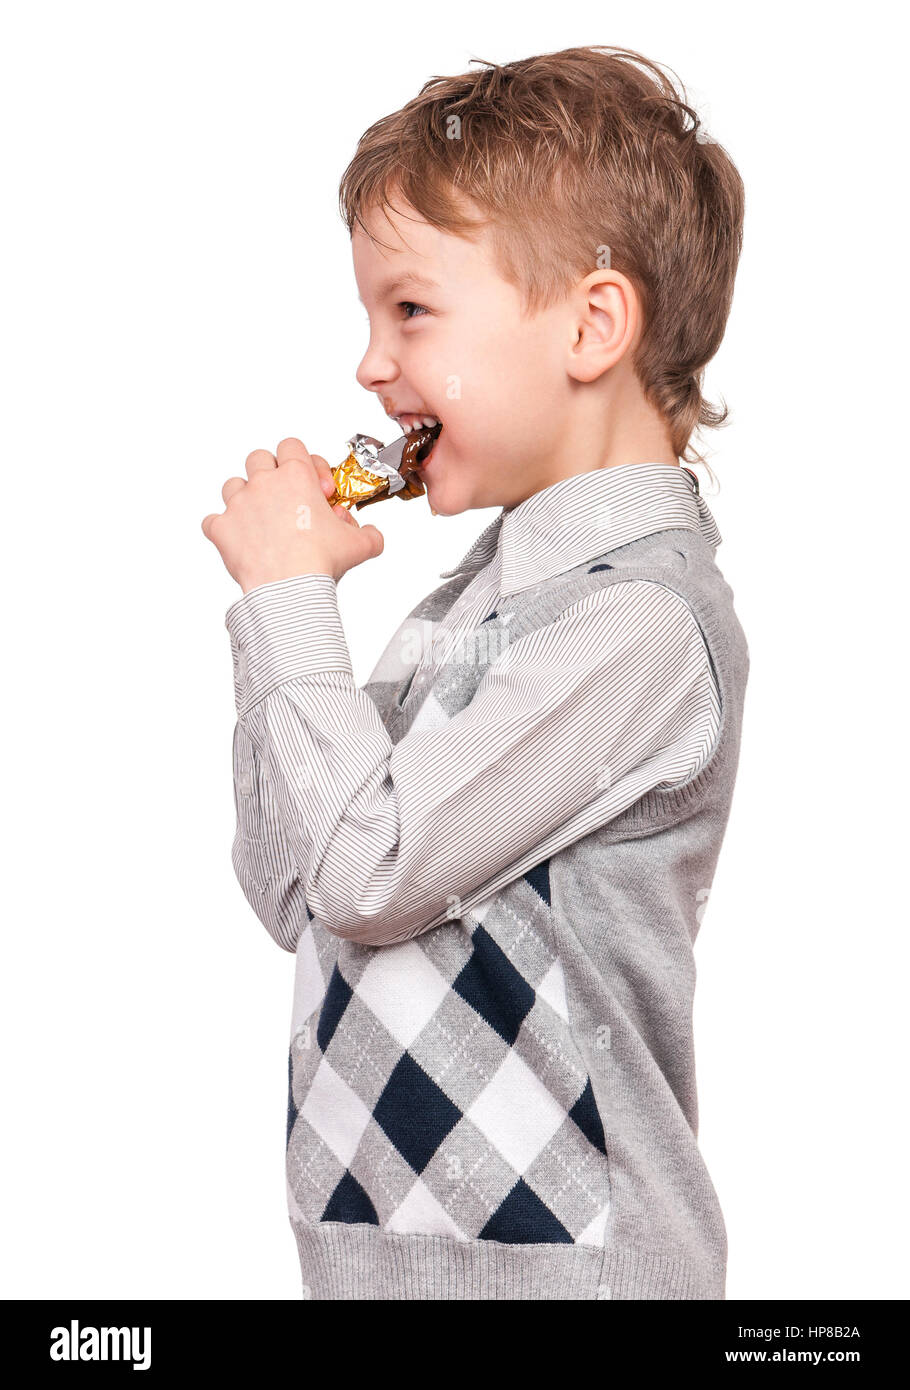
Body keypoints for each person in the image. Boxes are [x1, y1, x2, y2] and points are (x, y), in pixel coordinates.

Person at [201, 44, 749, 1300]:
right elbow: (295, 883)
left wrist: (290, 604)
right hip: (378, 1257)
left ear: (591, 325)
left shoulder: (641, 625)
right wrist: (281, 614)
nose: (369, 365)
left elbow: (370, 869)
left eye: (410, 310)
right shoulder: (469, 604)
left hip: (567, 1268)